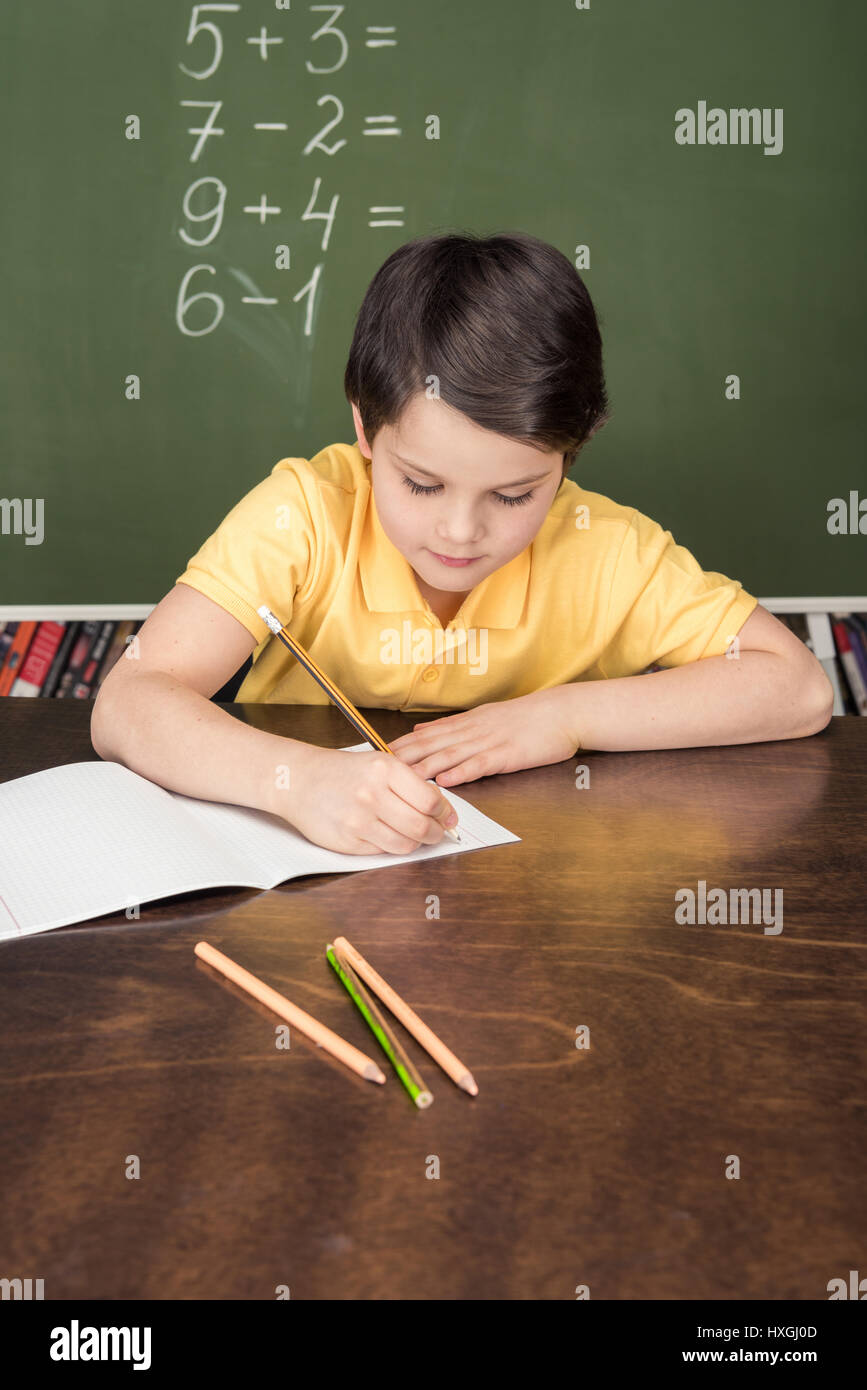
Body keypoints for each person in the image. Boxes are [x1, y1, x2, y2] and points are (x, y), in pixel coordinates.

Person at [91, 231, 833, 855]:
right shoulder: (307, 514)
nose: (458, 531)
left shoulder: (603, 547)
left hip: (533, 895)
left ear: (568, 458)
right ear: (364, 429)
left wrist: (562, 717)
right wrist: (296, 779)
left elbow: (795, 686)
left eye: (514, 496)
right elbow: (128, 701)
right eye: (420, 483)